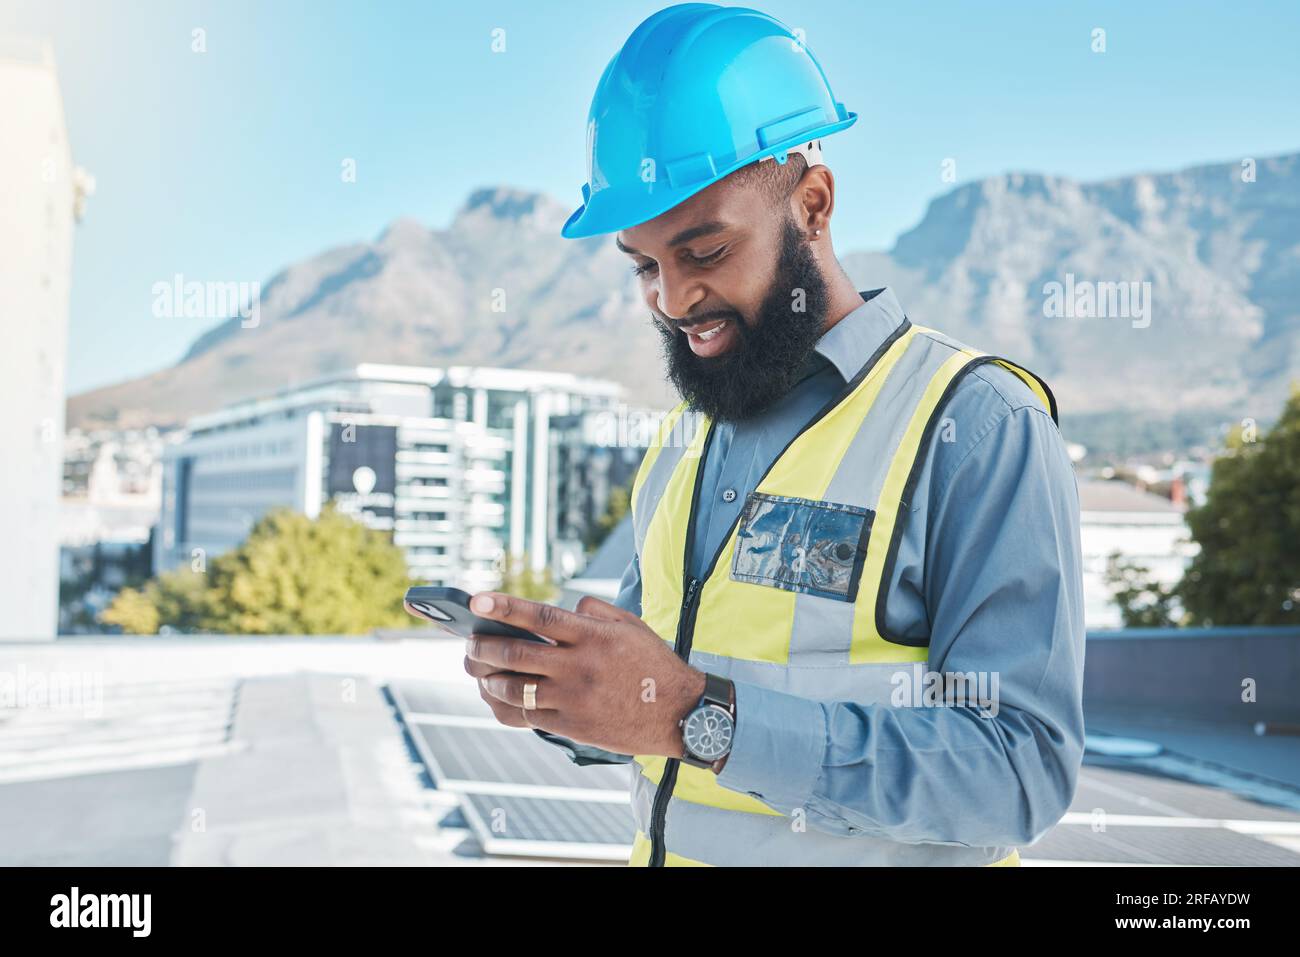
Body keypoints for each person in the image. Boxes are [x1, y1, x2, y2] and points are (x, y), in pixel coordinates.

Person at [463, 2, 1085, 867]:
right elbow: (657, 717)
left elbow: (1022, 772)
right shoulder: (685, 441)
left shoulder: (977, 425)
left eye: (705, 253)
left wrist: (696, 718)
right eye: (645, 265)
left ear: (814, 205)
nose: (673, 300)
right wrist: (575, 698)